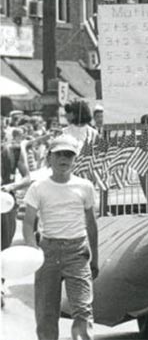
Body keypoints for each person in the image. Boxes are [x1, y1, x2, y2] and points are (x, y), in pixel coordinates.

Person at [23, 135, 98, 340]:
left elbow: (91, 223)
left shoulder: (85, 186)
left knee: (83, 310)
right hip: (48, 252)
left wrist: (95, 257)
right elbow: (29, 222)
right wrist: (33, 250)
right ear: (50, 157)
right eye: (59, 154)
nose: (63, 159)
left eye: (69, 155)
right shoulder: (39, 187)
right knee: (46, 314)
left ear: (75, 159)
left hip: (77, 252)